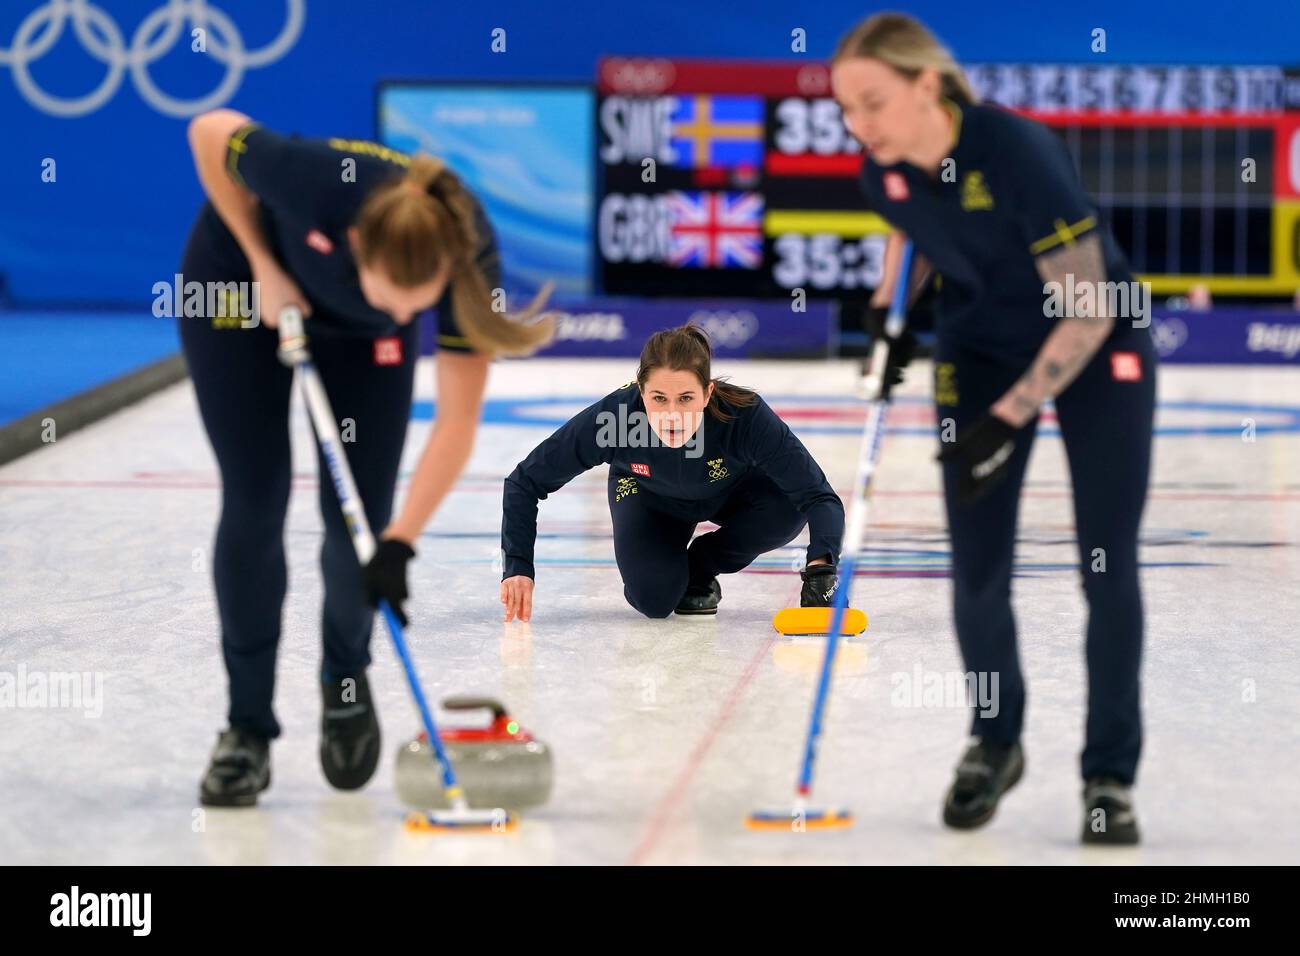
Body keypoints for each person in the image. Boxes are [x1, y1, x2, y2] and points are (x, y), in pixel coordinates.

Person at [832, 12, 1156, 844]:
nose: (859, 127)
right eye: (845, 111)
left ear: (925, 85)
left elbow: (1084, 310)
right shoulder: (884, 171)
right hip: (976, 351)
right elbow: (917, 235)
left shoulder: (1016, 153)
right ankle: (994, 740)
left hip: (1100, 341)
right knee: (977, 569)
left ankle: (1108, 778)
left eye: (871, 103)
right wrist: (888, 317)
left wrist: (1010, 419)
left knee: (1106, 564)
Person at [180, 109, 553, 806]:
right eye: (397, 300)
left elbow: (457, 420)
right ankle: (247, 730)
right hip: (239, 286)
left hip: (358, 341)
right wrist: (264, 265)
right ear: (354, 246)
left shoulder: (467, 258)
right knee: (255, 498)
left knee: (359, 523)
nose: (413, 316)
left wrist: (400, 545)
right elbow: (208, 131)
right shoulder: (310, 182)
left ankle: (344, 682)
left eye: (423, 307)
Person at [499, 325, 845, 622]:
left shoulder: (745, 416)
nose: (672, 414)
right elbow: (524, 482)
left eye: (685, 398)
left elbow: (818, 495)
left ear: (708, 393)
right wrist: (518, 567)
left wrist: (822, 567)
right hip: (648, 497)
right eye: (659, 398)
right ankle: (671, 574)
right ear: (640, 391)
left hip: (731, 493)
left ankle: (700, 566)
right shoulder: (614, 420)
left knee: (789, 507)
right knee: (655, 600)